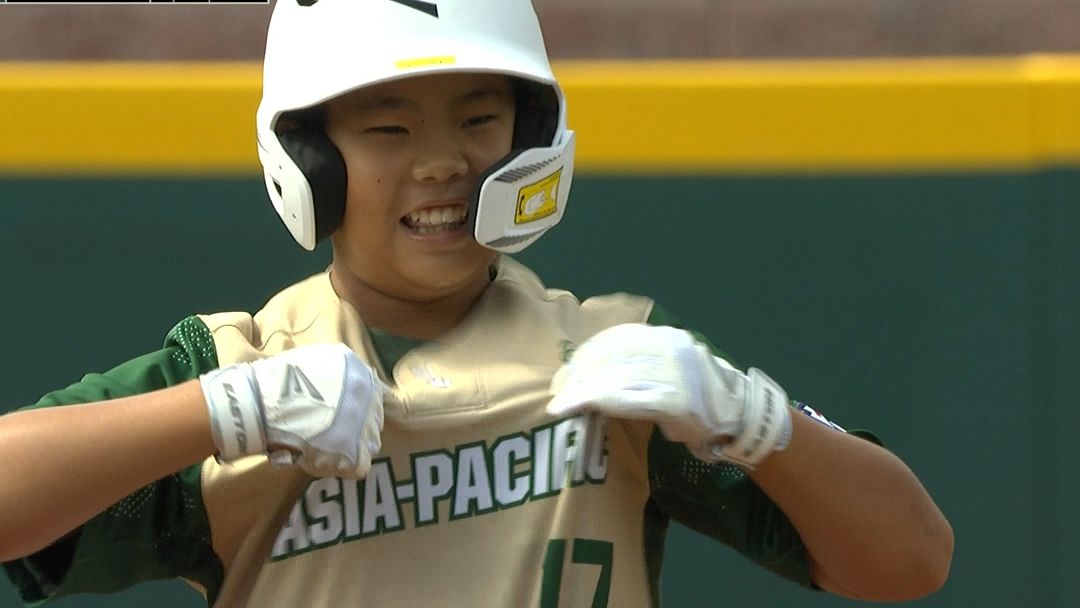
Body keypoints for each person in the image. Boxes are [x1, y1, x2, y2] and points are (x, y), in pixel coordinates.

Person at [0, 0, 953, 606]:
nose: (443, 160)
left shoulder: (613, 365)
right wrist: (219, 411)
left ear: (530, 135)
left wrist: (756, 418)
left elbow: (909, 564)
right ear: (309, 161)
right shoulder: (238, 368)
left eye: (479, 117)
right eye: (386, 127)